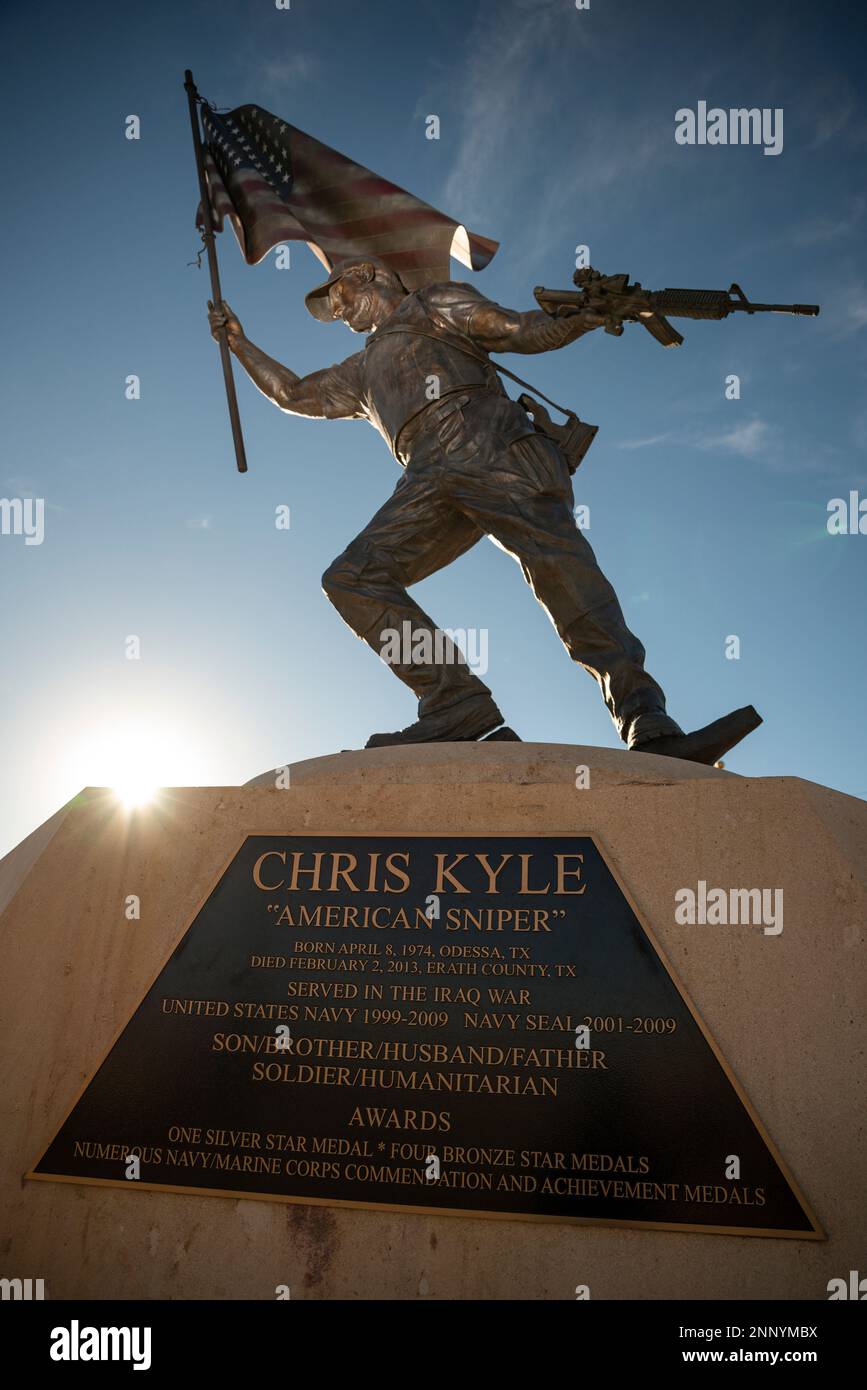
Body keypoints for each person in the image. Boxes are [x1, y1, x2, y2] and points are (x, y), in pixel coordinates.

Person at [208, 256, 759, 762]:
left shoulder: (433, 303)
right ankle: (455, 703)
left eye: (339, 295)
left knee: (563, 575)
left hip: (488, 437)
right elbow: (295, 393)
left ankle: (647, 719)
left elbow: (519, 330)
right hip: (425, 467)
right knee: (353, 577)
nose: (338, 310)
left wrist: (584, 317)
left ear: (368, 274)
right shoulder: (363, 367)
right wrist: (239, 342)